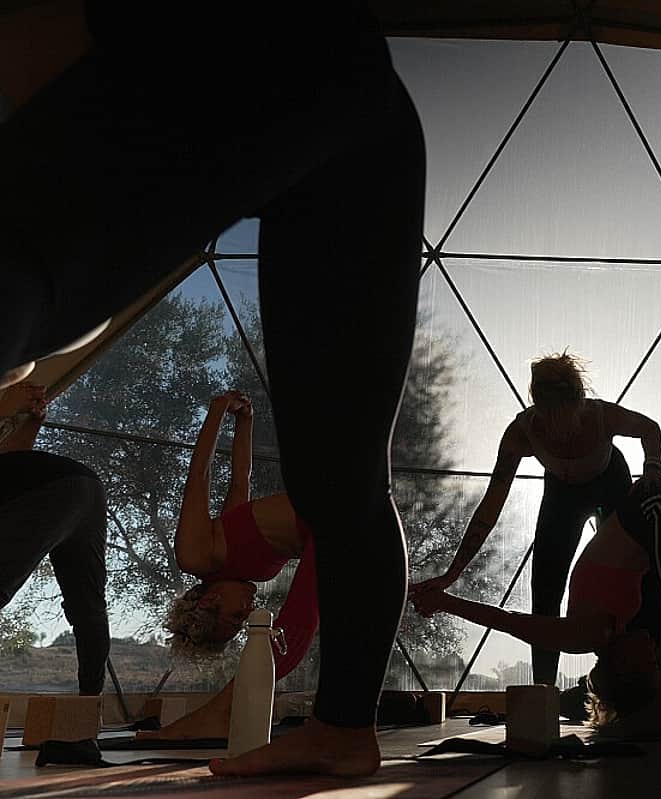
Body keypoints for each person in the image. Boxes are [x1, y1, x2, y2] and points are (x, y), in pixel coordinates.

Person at [1, 1, 424, 777]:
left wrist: (218, 422)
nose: (238, 616)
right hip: (364, 115)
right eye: (237, 624)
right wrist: (245, 429)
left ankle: (341, 723)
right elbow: (250, 497)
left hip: (311, 73)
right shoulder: (248, 565)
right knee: (347, 481)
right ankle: (342, 725)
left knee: (27, 295)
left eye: (223, 621)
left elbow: (210, 489)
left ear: (201, 604)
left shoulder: (202, 553)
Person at [409, 352, 661, 687]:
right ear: (537, 408)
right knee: (545, 588)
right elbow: (491, 505)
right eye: (549, 420)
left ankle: (638, 679)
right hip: (562, 496)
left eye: (565, 419)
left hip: (611, 485)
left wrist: (653, 469)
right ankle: (544, 692)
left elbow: (649, 429)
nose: (560, 434)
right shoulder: (521, 433)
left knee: (631, 579)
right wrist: (453, 573)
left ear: (579, 402)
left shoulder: (603, 416)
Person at [412, 475, 661, 736]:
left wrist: (445, 602)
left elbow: (511, 622)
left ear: (624, 665)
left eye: (651, 663)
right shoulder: (626, 625)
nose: (654, 650)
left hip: (656, 505)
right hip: (656, 513)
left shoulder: (588, 634)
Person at [139, 390, 317, 740]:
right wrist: (245, 423)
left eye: (236, 616)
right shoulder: (238, 566)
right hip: (322, 534)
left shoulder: (197, 555)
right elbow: (241, 478)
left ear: (210, 601)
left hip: (321, 525)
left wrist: (219, 411)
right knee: (295, 631)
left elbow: (200, 476)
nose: (248, 611)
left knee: (288, 635)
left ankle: (218, 714)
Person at [0, 382, 109, 698]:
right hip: (85, 487)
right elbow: (15, 465)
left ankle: (88, 707)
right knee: (87, 605)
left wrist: (7, 407)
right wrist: (30, 423)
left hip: (55, 487)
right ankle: (90, 706)